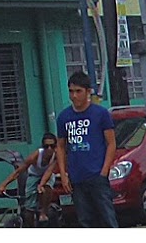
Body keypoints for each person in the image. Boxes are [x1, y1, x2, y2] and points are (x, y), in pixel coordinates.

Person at [55, 70, 118, 227]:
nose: (74, 96)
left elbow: (111, 143)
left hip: (97, 175)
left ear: (88, 92)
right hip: (77, 178)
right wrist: (63, 174)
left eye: (78, 91)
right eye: (71, 91)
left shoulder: (100, 114)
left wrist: (104, 171)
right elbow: (61, 147)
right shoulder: (64, 117)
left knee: (107, 218)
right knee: (85, 221)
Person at [0, 132, 62, 223]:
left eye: (52, 146)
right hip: (33, 175)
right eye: (46, 146)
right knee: (29, 206)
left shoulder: (56, 156)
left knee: (47, 187)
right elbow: (18, 171)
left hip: (47, 175)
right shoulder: (36, 156)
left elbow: (48, 172)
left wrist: (41, 185)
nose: (49, 149)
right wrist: (4, 184)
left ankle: (44, 212)